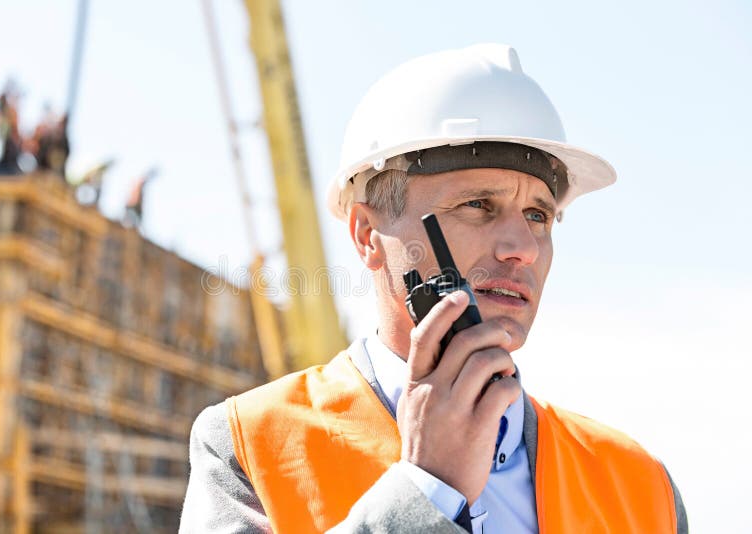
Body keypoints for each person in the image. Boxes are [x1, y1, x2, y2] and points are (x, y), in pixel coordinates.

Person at [179, 44, 688, 533]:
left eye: (538, 215)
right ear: (367, 235)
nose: (523, 249)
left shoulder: (641, 485)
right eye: (477, 205)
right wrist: (426, 492)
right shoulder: (249, 446)